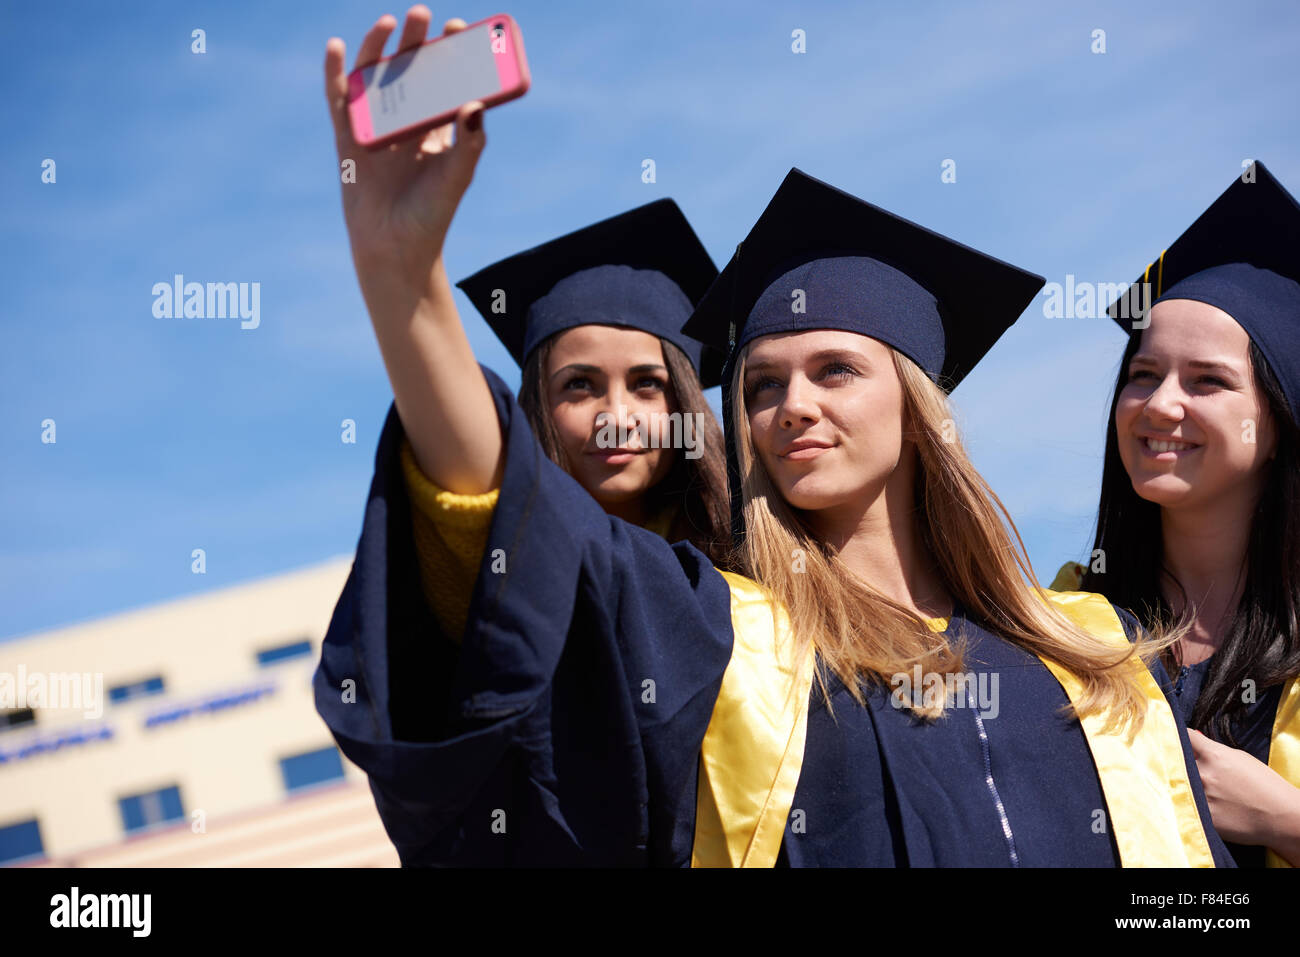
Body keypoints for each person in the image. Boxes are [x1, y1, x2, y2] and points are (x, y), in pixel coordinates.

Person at [316, 18, 1230, 858]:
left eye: (835, 370)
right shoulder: (727, 642)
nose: (791, 404)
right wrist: (406, 285)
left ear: (919, 408)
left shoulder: (1098, 648)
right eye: (759, 384)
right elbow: (519, 516)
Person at [1054, 161, 1300, 867]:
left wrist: (1285, 818)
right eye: (1143, 374)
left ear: (1279, 419)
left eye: (1208, 382)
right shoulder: (1067, 618)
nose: (1160, 404)